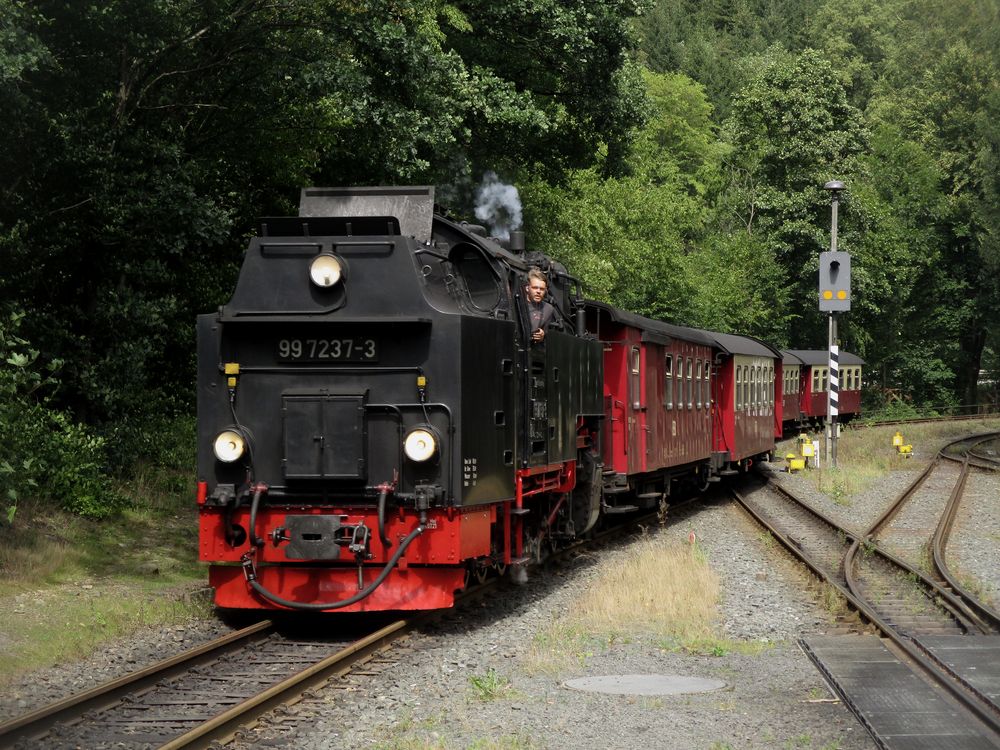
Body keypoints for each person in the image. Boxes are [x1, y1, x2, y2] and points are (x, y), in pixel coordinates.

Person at [525, 267, 555, 343]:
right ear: (527, 288)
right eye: (535, 288)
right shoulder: (516, 302)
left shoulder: (548, 309)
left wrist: (542, 335)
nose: (538, 291)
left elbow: (547, 334)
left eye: (541, 289)